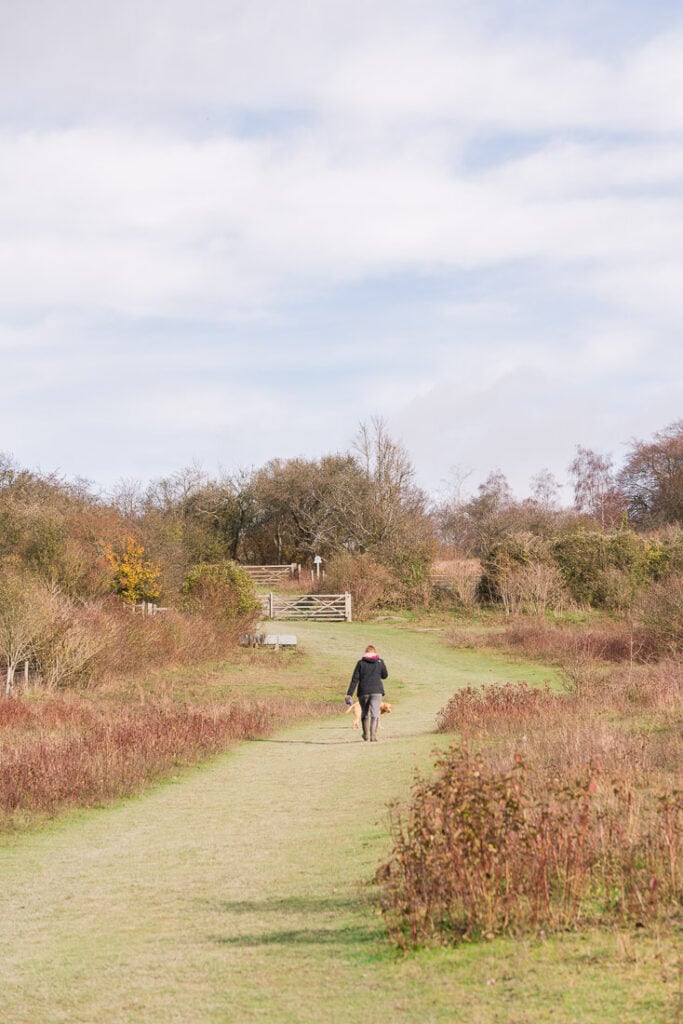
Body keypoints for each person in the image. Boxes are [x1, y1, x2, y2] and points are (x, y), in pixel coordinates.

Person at [345, 644, 388, 742]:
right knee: (375, 713)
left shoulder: (360, 663)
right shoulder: (380, 662)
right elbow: (385, 675)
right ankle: (373, 736)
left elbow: (354, 679)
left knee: (364, 713)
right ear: (375, 652)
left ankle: (365, 735)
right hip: (377, 691)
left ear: (365, 653)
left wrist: (349, 694)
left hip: (363, 691)